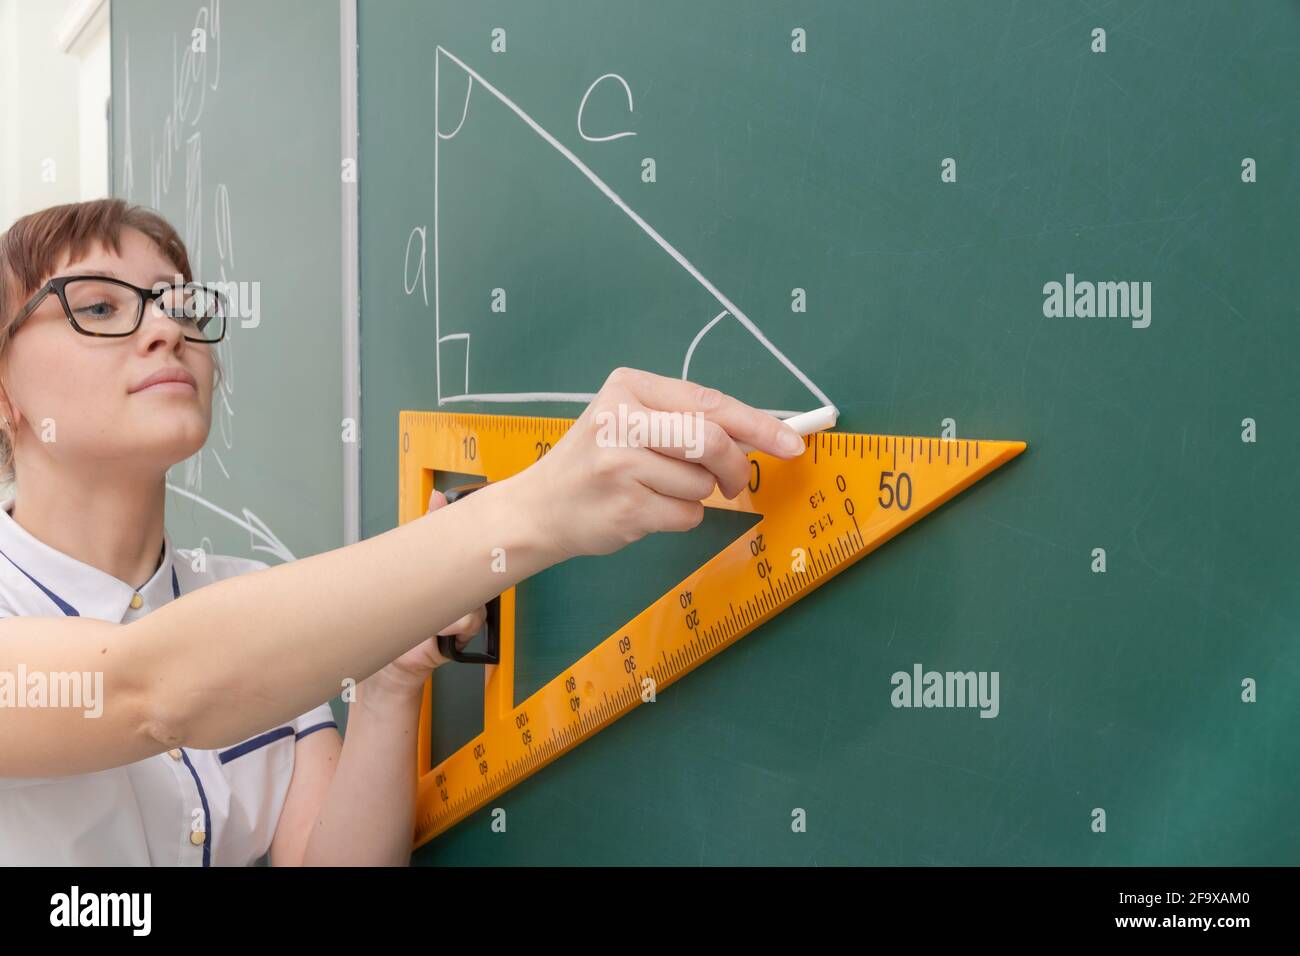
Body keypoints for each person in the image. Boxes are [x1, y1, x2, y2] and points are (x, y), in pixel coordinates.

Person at [0, 198, 807, 866]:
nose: (166, 330)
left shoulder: (254, 600)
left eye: (180, 303)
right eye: (100, 306)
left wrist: (389, 682)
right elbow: (148, 690)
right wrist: (538, 509)